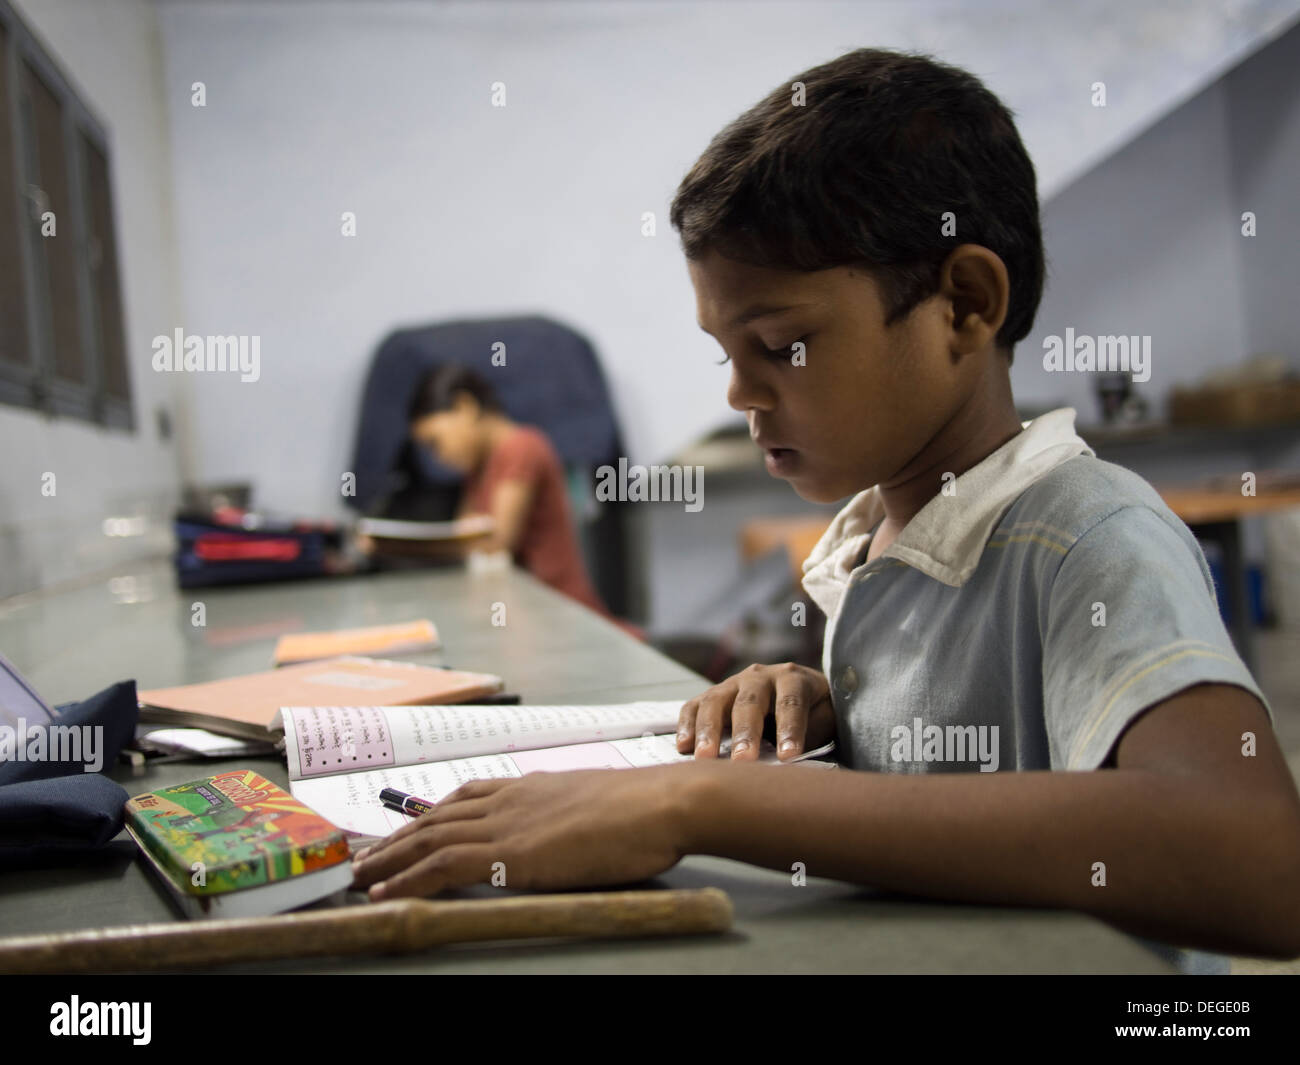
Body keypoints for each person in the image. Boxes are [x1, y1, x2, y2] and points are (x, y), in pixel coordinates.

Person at [352, 49, 1300, 962]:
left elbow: (1256, 856)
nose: (740, 394)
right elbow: (963, 782)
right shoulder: (887, 538)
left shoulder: (1087, 538)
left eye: (781, 343)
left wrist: (697, 803)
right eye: (729, 354)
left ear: (964, 303)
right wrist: (837, 711)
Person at [403, 365, 637, 635]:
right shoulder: (478, 467)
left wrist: (407, 547)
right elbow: (465, 536)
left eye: (435, 442)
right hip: (527, 615)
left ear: (464, 407)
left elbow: (496, 540)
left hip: (563, 614)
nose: (439, 457)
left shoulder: (521, 447)